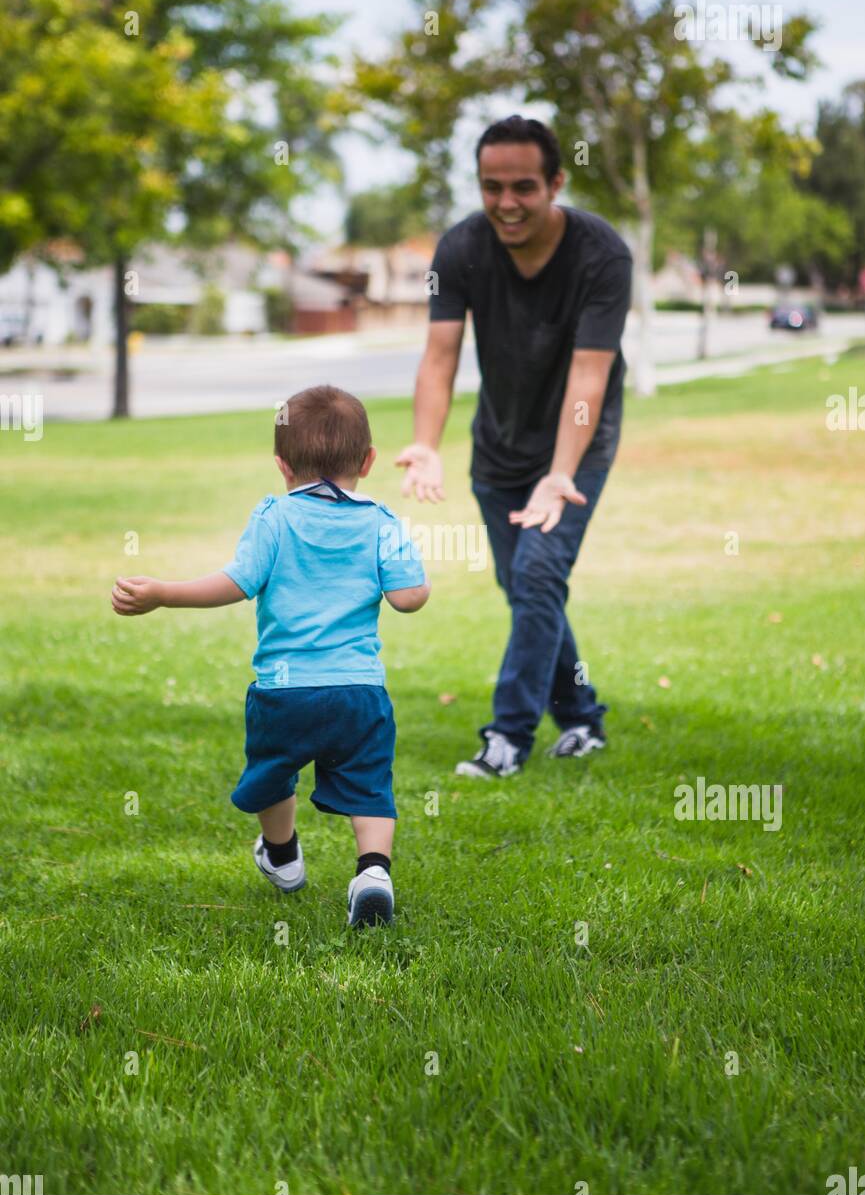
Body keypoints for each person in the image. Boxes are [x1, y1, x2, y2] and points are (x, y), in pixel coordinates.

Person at [111, 384, 429, 926]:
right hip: (358, 691)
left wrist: (164, 593)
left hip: (283, 691)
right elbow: (408, 599)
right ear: (370, 461)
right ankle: (373, 871)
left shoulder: (273, 518)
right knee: (370, 783)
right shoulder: (382, 522)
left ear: (282, 466)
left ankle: (282, 857)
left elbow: (236, 582)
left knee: (273, 773)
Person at [396, 115, 631, 778]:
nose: (506, 203)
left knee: (535, 574)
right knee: (526, 585)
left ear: (556, 181)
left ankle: (507, 737)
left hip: (577, 444)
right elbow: (439, 356)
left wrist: (560, 473)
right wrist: (425, 442)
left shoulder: (601, 254)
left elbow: (590, 373)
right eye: (490, 186)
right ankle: (582, 718)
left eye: (524, 186)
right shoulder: (460, 250)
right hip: (498, 443)